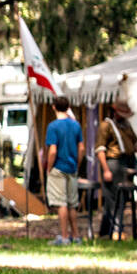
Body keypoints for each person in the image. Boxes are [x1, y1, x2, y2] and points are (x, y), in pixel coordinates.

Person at [95, 99, 137, 238]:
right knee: (113, 198)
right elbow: (100, 150)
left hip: (128, 161)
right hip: (113, 163)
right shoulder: (106, 126)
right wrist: (106, 169)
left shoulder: (126, 126)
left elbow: (136, 143)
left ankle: (112, 230)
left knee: (124, 198)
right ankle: (114, 230)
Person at [43, 95, 85, 244]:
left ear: (54, 107)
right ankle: (76, 235)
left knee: (61, 203)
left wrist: (49, 167)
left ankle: (64, 236)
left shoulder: (53, 126)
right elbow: (81, 148)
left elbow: (52, 150)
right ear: (68, 107)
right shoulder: (76, 125)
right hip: (72, 167)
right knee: (72, 203)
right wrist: (77, 164)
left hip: (58, 168)